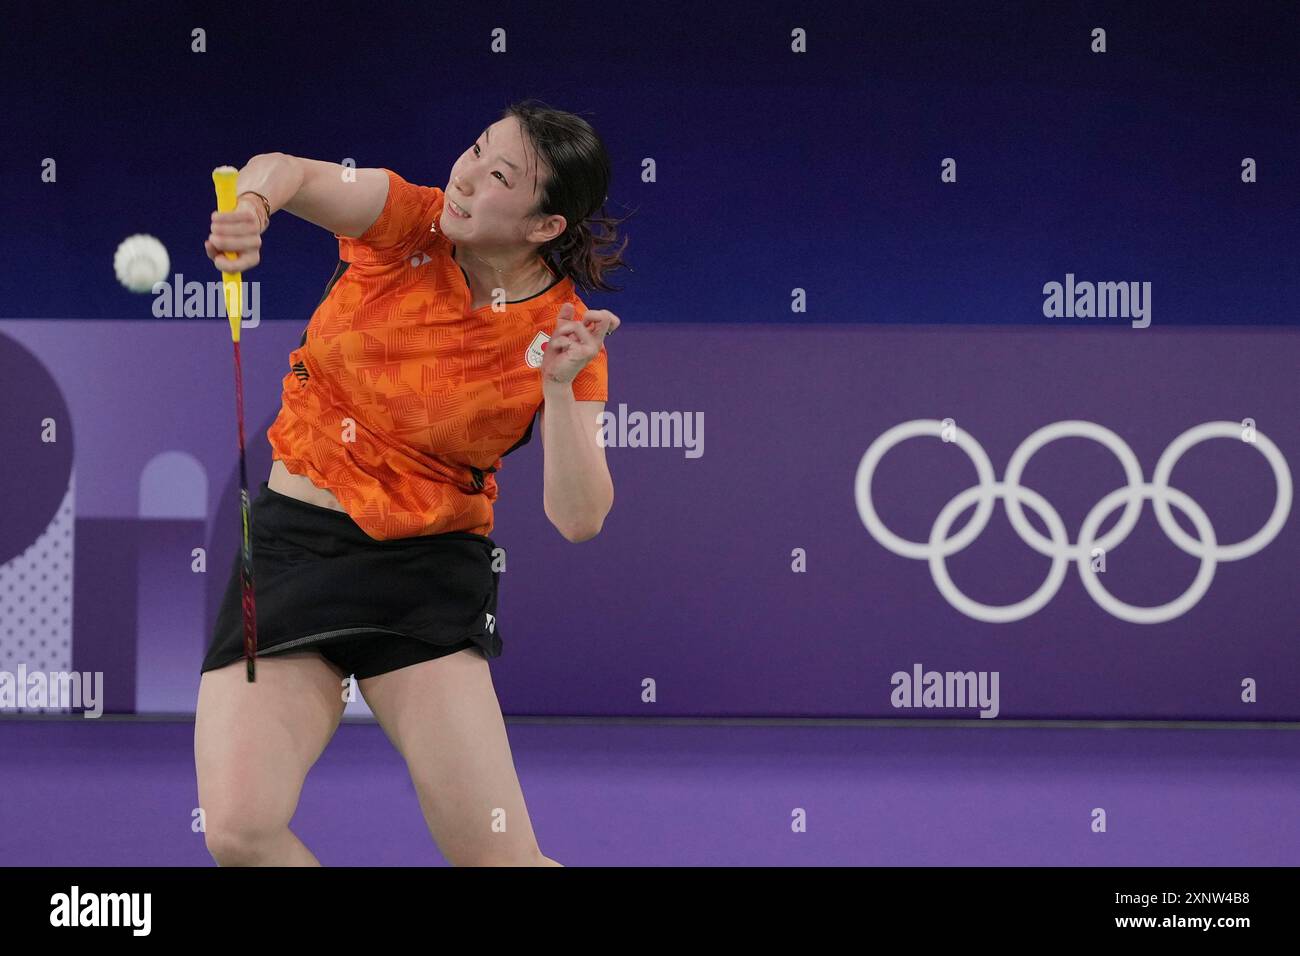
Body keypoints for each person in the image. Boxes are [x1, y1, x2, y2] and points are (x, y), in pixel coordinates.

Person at [194, 99, 630, 867]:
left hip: (423, 580)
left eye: (499, 176)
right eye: (475, 148)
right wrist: (254, 206)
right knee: (239, 830)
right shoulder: (408, 219)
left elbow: (580, 519)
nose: (466, 176)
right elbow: (291, 170)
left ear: (544, 226)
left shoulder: (565, 336)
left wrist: (559, 389)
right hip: (296, 551)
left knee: (503, 860)